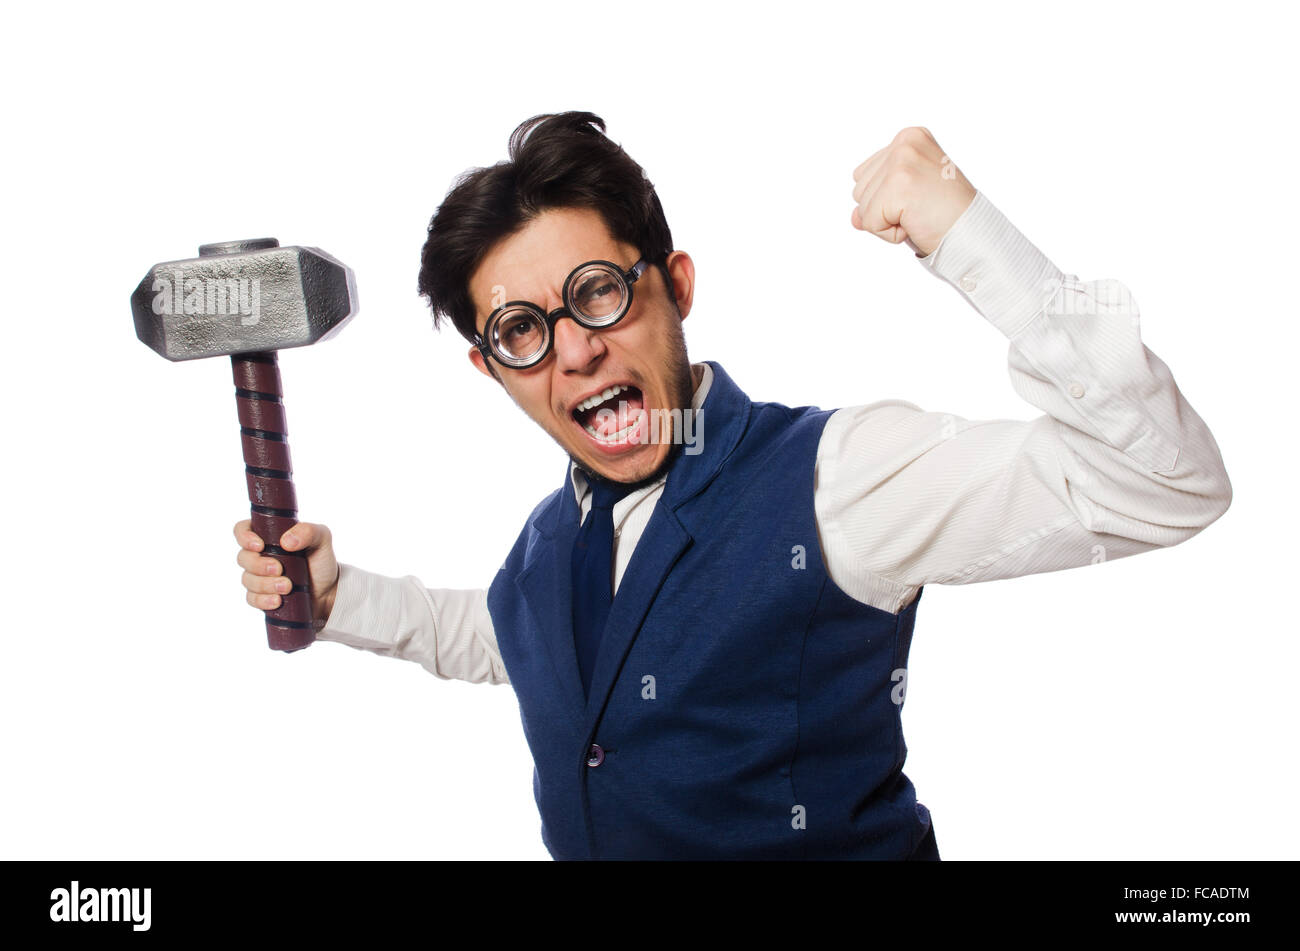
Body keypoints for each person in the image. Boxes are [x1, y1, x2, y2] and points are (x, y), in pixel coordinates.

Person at [234, 112, 1232, 860]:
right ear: (492, 369)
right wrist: (340, 599)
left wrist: (968, 236)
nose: (576, 350)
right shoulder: (555, 535)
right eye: (522, 330)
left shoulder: (838, 480)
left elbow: (1161, 480)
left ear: (675, 284)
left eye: (597, 292)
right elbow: (525, 645)